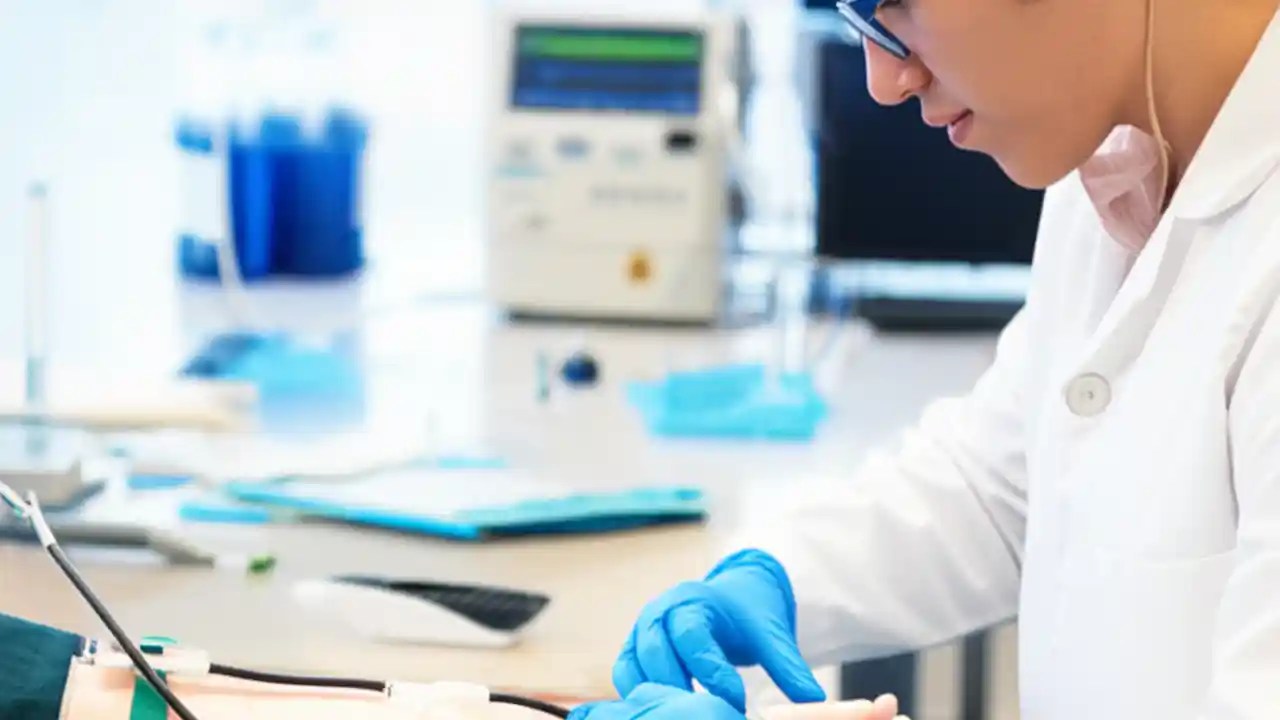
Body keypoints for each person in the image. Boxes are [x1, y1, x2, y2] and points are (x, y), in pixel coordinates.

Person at [569, 0, 1280, 718]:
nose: (883, 82)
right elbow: (1000, 484)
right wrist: (778, 580)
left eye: (896, 5)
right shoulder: (1121, 162)